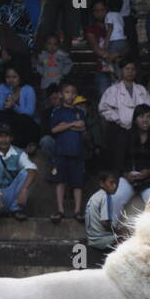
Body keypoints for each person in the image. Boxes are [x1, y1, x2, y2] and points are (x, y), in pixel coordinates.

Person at [48, 80, 87, 223]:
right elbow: (54, 129)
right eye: (67, 92)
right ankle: (60, 210)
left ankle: (77, 211)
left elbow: (82, 127)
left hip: (76, 152)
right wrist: (71, 124)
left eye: (73, 92)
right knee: (60, 181)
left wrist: (64, 125)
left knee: (78, 183)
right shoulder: (57, 111)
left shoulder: (80, 112)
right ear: (60, 95)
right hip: (60, 152)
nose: (70, 95)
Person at [115, 103, 150, 208]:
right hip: (129, 178)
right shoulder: (126, 136)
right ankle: (112, 224)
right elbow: (118, 161)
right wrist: (126, 175)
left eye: (148, 116)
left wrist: (149, 172)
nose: (145, 120)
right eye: (141, 116)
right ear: (135, 119)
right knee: (117, 198)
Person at [98, 59, 150, 155]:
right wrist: (118, 118)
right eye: (127, 69)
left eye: (133, 69)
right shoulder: (113, 90)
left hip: (141, 127)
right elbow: (103, 109)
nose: (130, 72)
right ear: (121, 71)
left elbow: (148, 108)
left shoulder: (141, 89)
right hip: (120, 128)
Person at [83, 169, 120, 250]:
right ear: (102, 183)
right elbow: (105, 223)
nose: (114, 186)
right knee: (126, 239)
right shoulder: (106, 197)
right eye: (111, 182)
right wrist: (117, 231)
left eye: (115, 183)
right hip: (100, 239)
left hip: (91, 238)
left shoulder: (95, 196)